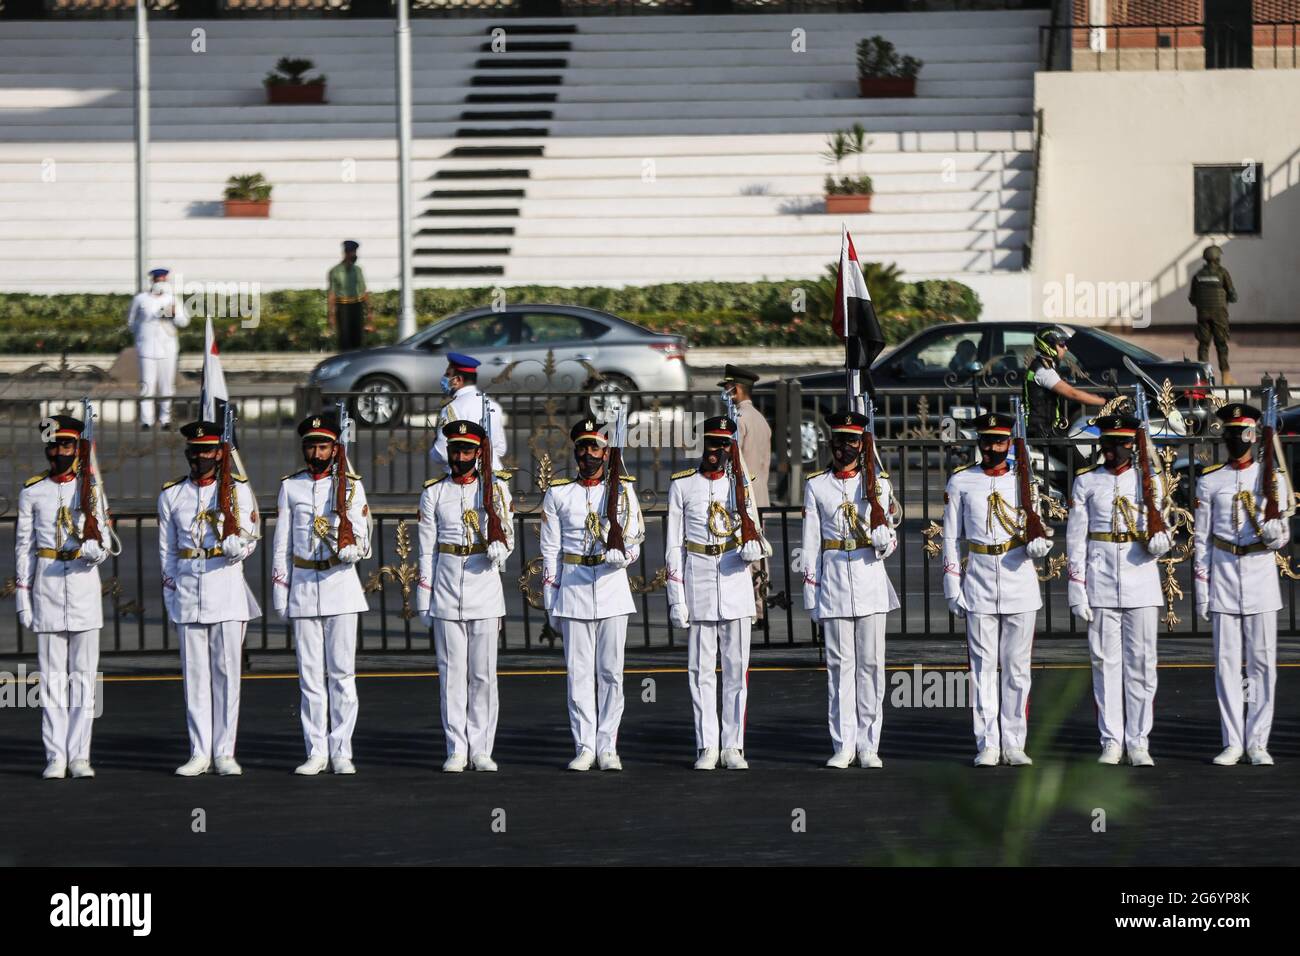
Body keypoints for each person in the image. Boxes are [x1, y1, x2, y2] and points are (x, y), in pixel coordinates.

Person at [942, 412, 1054, 767]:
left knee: (1018, 669)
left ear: (1009, 443)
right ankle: (988, 742)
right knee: (983, 668)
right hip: (979, 579)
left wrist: (1040, 545)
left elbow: (1039, 528)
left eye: (999, 441)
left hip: (1018, 576)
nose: (992, 447)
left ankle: (1014, 741)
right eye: (986, 441)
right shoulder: (962, 481)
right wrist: (951, 584)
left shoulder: (1025, 481)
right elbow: (949, 537)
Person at [1066, 415, 1174, 767]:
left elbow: (1166, 527)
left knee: (1143, 665)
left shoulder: (1150, 480)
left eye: (1121, 444)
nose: (1114, 451)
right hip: (1100, 580)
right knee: (1105, 664)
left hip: (1140, 576)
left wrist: (1162, 541)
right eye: (1109, 444)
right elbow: (1076, 539)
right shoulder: (1087, 482)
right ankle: (1111, 740)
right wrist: (1077, 587)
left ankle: (1139, 740)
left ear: (1132, 445)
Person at [540, 418, 644, 771]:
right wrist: (551, 599)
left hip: (612, 588)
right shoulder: (558, 493)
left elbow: (635, 540)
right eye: (582, 447)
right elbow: (550, 551)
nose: (588, 454)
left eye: (595, 447)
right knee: (579, 673)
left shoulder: (623, 490)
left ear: (606, 451)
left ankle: (608, 744)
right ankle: (585, 745)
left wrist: (623, 556)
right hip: (574, 588)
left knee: (611, 672)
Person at [158, 420, 261, 777]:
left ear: (220, 453)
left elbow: (251, 536)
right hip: (188, 589)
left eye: (207, 450)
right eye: (194, 450)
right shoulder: (172, 495)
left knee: (226, 676)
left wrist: (238, 549)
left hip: (226, 589)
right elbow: (167, 553)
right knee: (195, 679)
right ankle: (199, 751)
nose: (199, 456)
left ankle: (224, 752)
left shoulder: (237, 492)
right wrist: (170, 596)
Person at [665, 416, 769, 771]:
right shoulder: (682, 486)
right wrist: (676, 597)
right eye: (711, 443)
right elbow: (673, 548)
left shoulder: (742, 484)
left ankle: (733, 745)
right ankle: (707, 745)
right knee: (700, 671)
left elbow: (753, 527)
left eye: (724, 444)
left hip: (735, 580)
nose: (717, 451)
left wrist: (754, 547)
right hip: (700, 583)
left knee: (737, 671)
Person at [271, 412, 371, 775]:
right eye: (311, 445)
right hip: (303, 586)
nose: (316, 451)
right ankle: (316, 750)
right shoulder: (291, 487)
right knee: (310, 677)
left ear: (335, 448)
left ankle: (342, 749)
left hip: (340, 586)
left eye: (324, 445)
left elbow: (364, 537)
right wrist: (280, 591)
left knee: (342, 674)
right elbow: (281, 544)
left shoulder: (351, 486)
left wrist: (353, 550)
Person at [1193, 403, 1291, 766]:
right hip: (1224, 575)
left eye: (1243, 433)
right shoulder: (1210, 479)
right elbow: (1201, 541)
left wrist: (1273, 533)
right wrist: (1202, 589)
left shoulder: (1271, 477)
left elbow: (1283, 537)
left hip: (1260, 574)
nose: (1237, 440)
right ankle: (1233, 740)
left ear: (1253, 435)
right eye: (1231, 433)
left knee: (1263, 664)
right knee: (1227, 664)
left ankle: (1258, 741)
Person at [801, 410, 899, 769]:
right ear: (831, 442)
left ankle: (869, 744)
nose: (845, 447)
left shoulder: (878, 484)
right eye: (840, 440)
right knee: (840, 668)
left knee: (871, 666)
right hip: (835, 581)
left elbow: (890, 543)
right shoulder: (816, 485)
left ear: (862, 445)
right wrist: (811, 591)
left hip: (869, 577)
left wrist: (884, 540)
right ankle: (843, 744)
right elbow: (810, 543)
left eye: (852, 441)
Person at [416, 420, 514, 773]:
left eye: (467, 450)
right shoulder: (434, 493)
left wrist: (501, 548)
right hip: (445, 587)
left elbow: (509, 537)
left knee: (483, 675)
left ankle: (481, 747)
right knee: (451, 673)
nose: (460, 456)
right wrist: (424, 596)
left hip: (484, 588)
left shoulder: (496, 490)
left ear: (478, 453)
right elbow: (426, 550)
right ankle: (456, 747)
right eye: (455, 450)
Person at [15, 415, 110, 779]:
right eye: (53, 446)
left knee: (84, 680)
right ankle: (56, 755)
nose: (59, 452)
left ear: (77, 449)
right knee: (52, 680)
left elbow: (104, 541)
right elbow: (23, 547)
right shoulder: (32, 491)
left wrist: (94, 552)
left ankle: (80, 755)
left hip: (84, 588)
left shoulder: (91, 488)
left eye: (66, 446)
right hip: (48, 587)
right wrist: (23, 595)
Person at [718, 363, 772, 620]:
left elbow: (732, 458)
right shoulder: (759, 418)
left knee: (744, 552)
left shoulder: (739, 420)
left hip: (745, 494)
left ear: (736, 390)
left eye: (728, 389)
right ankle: (760, 607)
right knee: (758, 553)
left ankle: (750, 609)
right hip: (761, 493)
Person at [128, 267, 190, 431]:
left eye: (163, 280)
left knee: (166, 384)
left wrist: (174, 314)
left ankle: (165, 419)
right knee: (146, 384)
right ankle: (146, 420)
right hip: (146, 347)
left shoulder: (172, 300)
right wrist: (141, 335)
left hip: (167, 347)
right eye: (158, 280)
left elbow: (184, 321)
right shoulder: (140, 299)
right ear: (153, 281)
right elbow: (131, 322)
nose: (160, 283)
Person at [428, 353, 506, 474]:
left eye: (448, 374)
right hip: (493, 476)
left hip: (464, 478)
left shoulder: (451, 408)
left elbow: (442, 453)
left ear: (458, 380)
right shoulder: (492, 405)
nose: (444, 378)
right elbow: (500, 448)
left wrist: (433, 452)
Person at [1022, 327, 1105, 440]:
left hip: (1046, 429)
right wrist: (1106, 402)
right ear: (1049, 346)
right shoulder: (1043, 371)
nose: (1065, 348)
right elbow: (1072, 393)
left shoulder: (1044, 366)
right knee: (1076, 458)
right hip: (1042, 432)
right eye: (1061, 345)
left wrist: (1096, 397)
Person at [1189, 244, 1238, 385]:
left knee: (1203, 345)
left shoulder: (1197, 275)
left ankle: (1202, 378)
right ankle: (1226, 376)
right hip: (1219, 315)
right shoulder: (1222, 273)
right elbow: (1233, 295)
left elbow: (1192, 299)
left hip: (1203, 315)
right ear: (1217, 258)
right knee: (1221, 344)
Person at [328, 240, 369, 352]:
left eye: (355, 252)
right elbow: (332, 293)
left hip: (357, 305)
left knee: (358, 337)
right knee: (344, 337)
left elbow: (364, 290)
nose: (354, 255)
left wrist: (369, 311)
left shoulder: (358, 270)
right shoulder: (335, 271)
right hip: (343, 306)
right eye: (352, 253)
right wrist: (331, 315)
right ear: (346, 253)